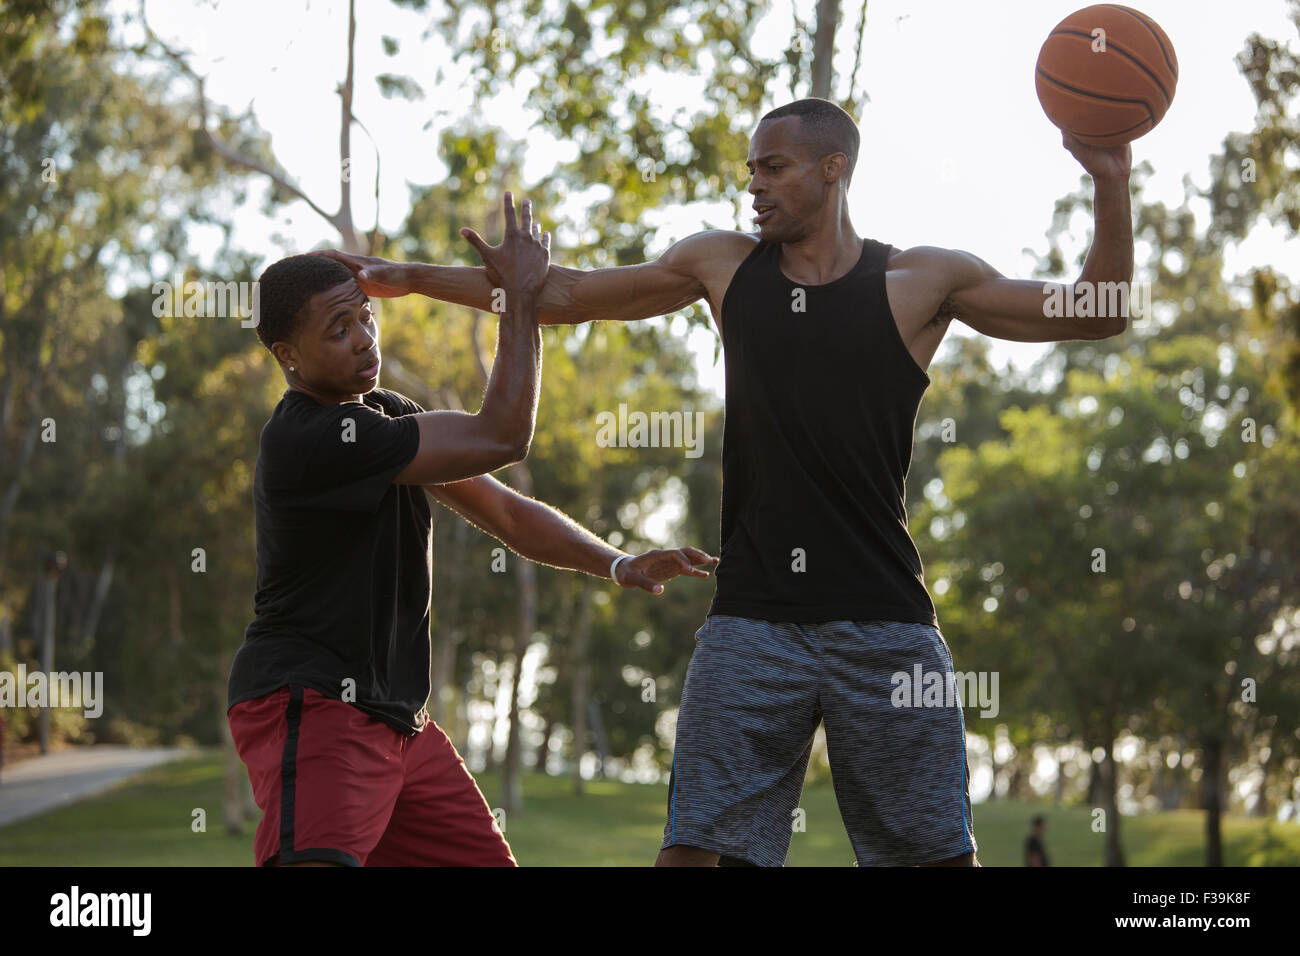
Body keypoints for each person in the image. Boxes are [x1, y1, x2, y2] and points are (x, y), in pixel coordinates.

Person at [320, 97, 1133, 867]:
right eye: (750, 169)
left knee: (936, 856)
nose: (753, 186)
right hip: (752, 619)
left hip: (886, 623)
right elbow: (561, 295)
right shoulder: (722, 264)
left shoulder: (921, 281)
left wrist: (1109, 178)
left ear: (832, 169)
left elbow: (1097, 310)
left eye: (773, 168)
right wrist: (410, 276)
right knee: (693, 850)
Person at [227, 192, 717, 867]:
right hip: (316, 708)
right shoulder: (313, 437)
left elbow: (509, 513)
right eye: (339, 329)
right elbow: (502, 434)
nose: (365, 338)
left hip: (400, 720)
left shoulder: (384, 415)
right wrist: (519, 296)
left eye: (365, 318)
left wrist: (616, 563)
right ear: (288, 354)